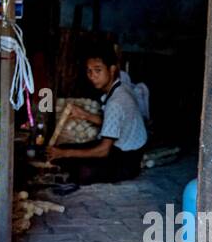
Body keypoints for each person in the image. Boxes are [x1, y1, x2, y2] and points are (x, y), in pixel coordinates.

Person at [48, 43, 148, 185]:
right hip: (125, 149)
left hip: (126, 160)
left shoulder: (116, 102)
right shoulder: (122, 86)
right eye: (89, 71)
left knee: (81, 170)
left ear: (112, 69)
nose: (92, 76)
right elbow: (117, 122)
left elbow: (103, 151)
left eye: (98, 70)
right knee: (65, 150)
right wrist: (86, 115)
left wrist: (64, 153)